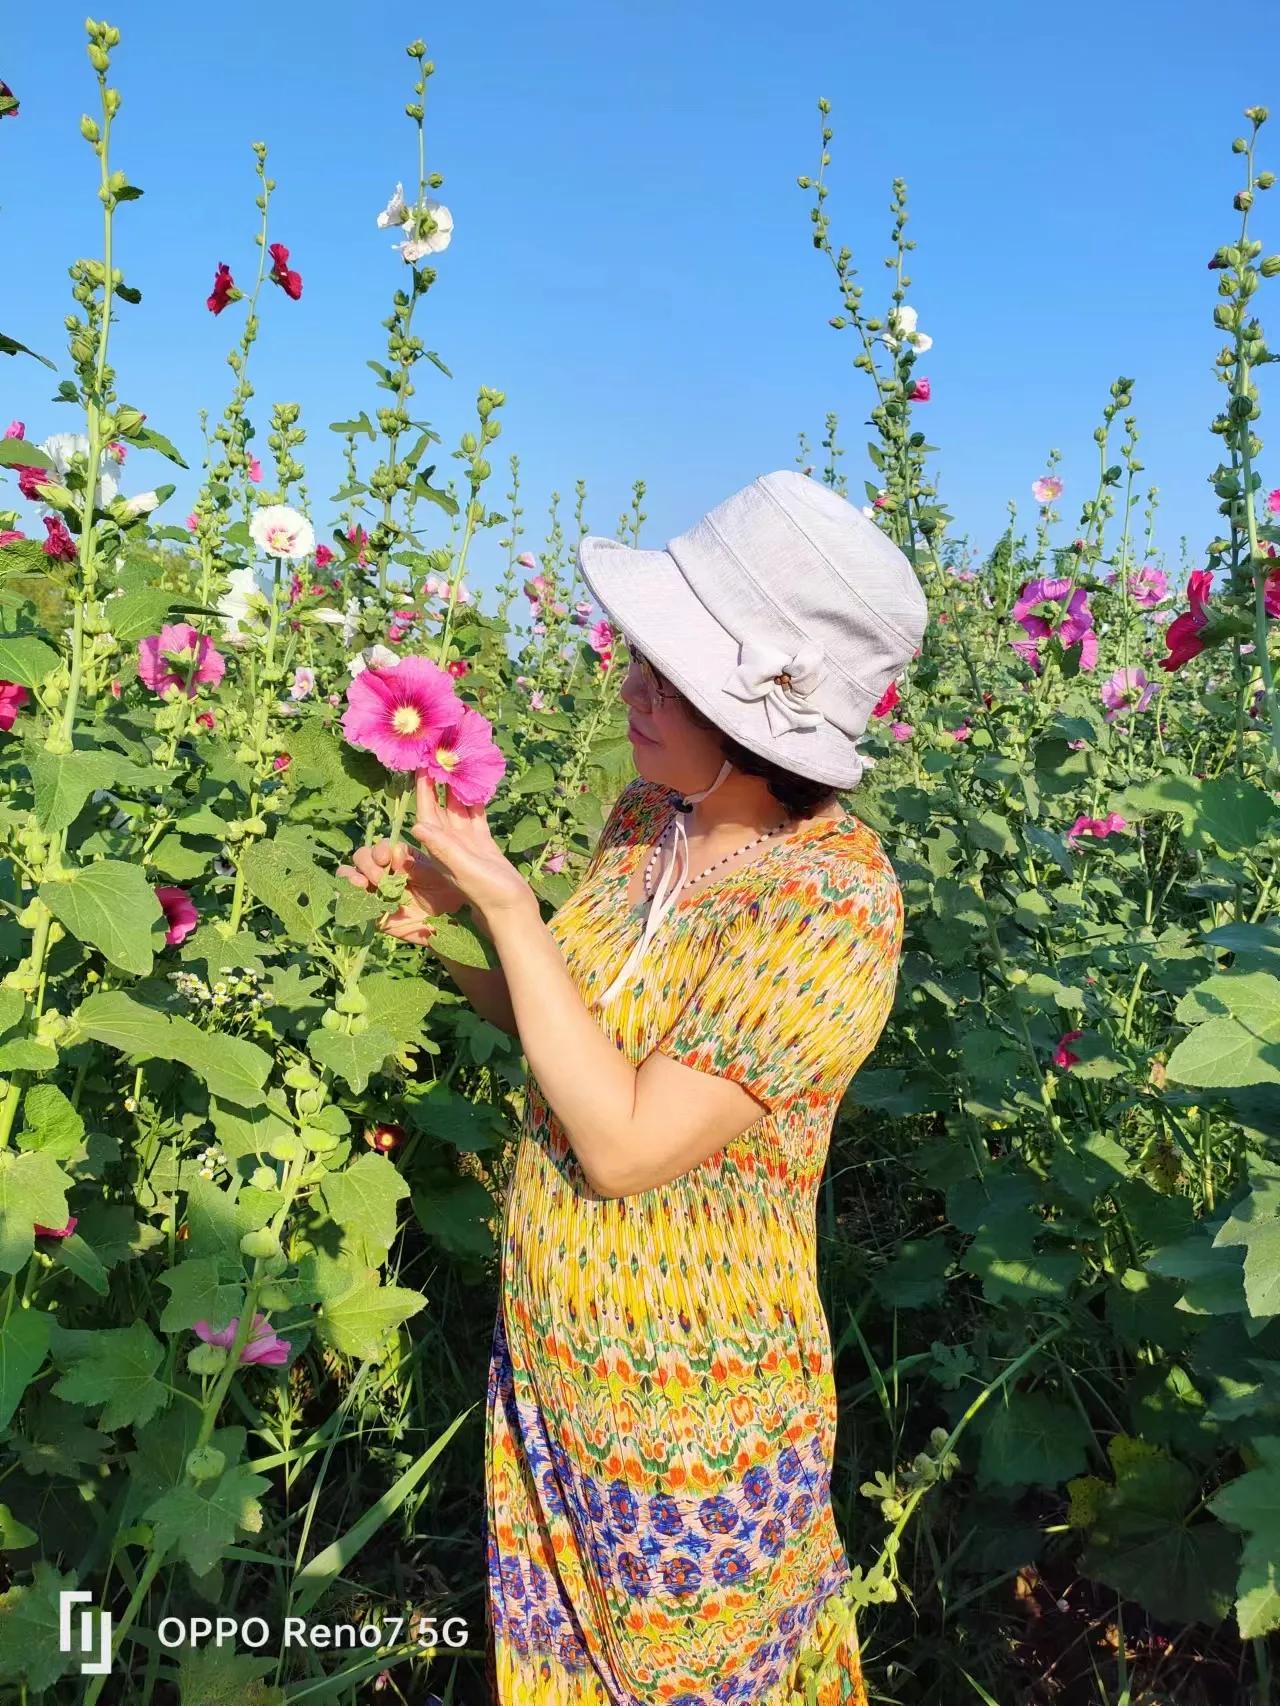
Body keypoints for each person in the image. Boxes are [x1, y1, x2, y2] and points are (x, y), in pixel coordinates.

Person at [340, 469, 928, 1704]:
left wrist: (507, 898)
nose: (630, 685)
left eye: (668, 672)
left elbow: (622, 1141)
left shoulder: (830, 903)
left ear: (758, 710)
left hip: (690, 1414)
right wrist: (449, 932)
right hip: (555, 1360)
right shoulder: (647, 815)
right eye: (641, 655)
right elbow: (572, 1035)